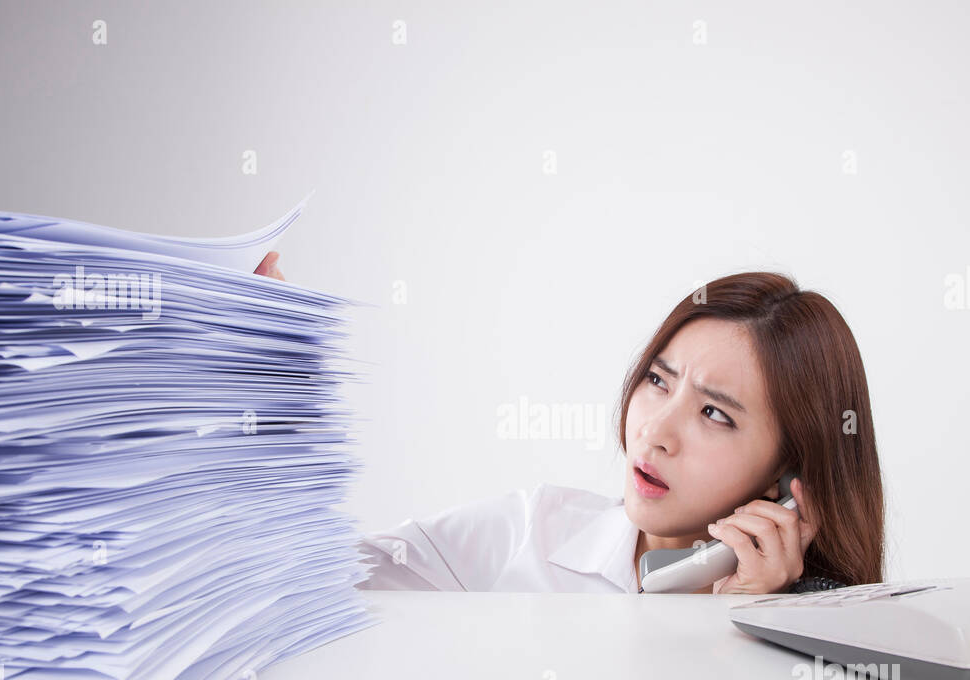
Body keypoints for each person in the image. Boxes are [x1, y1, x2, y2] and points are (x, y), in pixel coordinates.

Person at [254, 253, 884, 594]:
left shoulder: (826, 633)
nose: (657, 432)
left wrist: (743, 620)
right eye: (658, 381)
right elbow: (315, 582)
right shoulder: (532, 533)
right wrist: (272, 384)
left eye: (714, 413)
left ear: (789, 476)